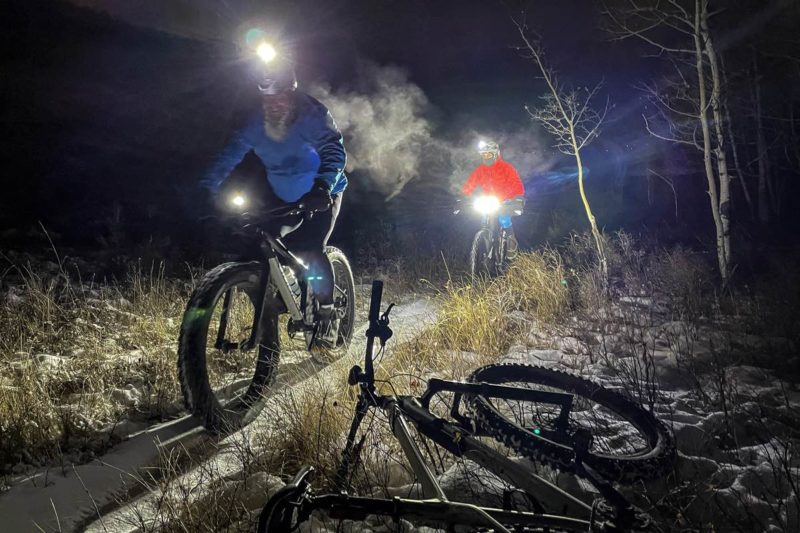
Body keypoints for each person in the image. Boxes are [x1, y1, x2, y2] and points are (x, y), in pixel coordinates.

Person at [200, 43, 347, 349]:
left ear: (292, 94)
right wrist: (207, 187)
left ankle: (327, 314)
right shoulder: (257, 122)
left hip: (322, 192)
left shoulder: (312, 114)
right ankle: (273, 312)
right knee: (257, 244)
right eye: (267, 99)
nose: (273, 105)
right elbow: (230, 153)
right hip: (282, 195)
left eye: (280, 97)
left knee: (310, 248)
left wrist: (322, 187)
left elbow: (333, 150)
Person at [461, 140, 525, 242]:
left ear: (495, 154)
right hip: (488, 200)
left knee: (504, 219)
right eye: (484, 155)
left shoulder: (506, 167)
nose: (486, 157)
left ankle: (511, 240)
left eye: (489, 154)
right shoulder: (480, 170)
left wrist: (518, 197)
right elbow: (470, 183)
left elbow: (515, 181)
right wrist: (463, 195)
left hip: (505, 199)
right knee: (483, 219)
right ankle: (486, 244)